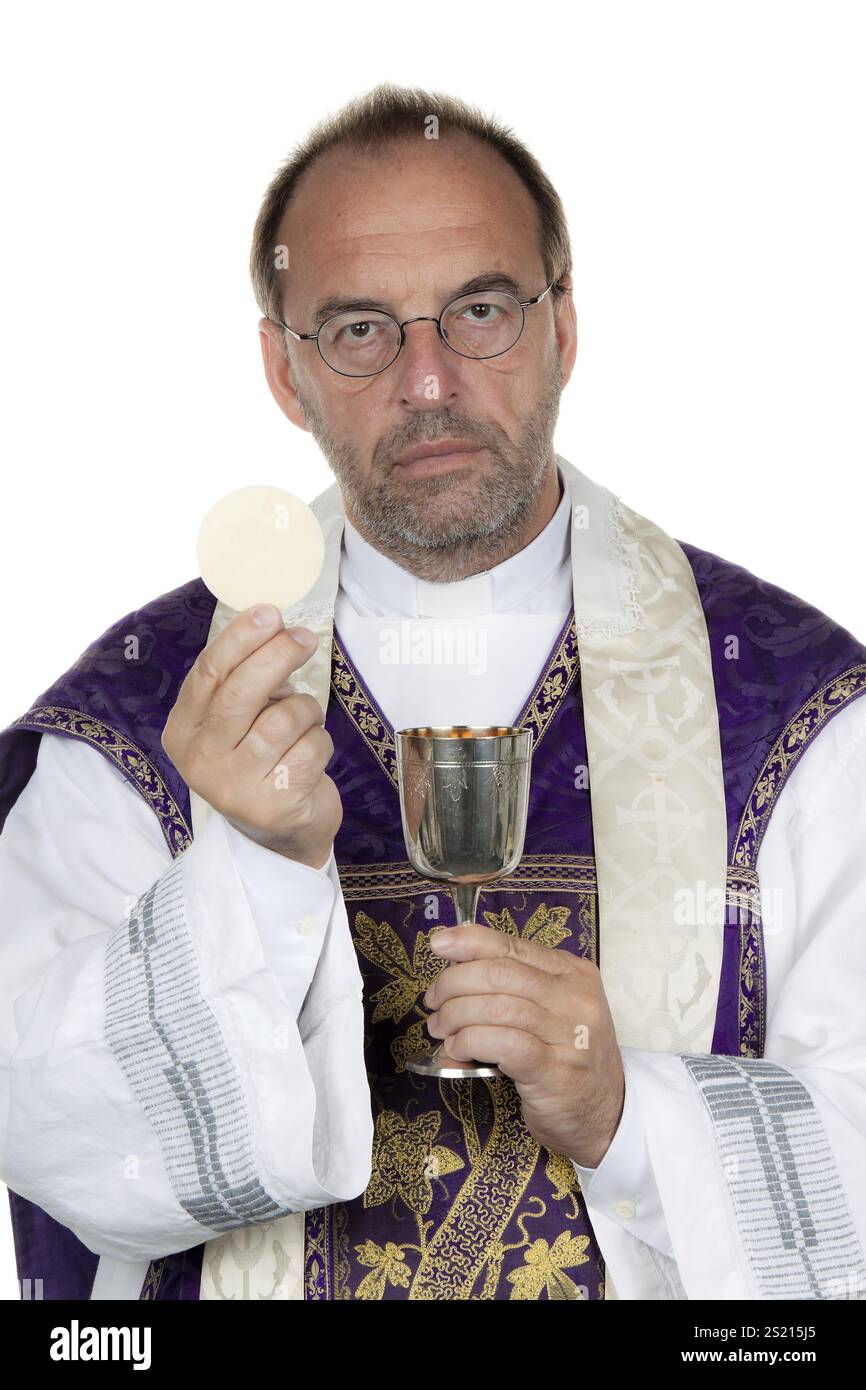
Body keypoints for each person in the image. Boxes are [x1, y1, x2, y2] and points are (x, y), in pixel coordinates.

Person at [2, 82, 865, 1302]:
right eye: (358, 328)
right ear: (282, 369)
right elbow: (44, 1121)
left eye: (479, 311)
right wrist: (245, 868)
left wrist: (631, 1112)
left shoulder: (794, 713)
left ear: (563, 326)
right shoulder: (143, 721)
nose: (425, 383)